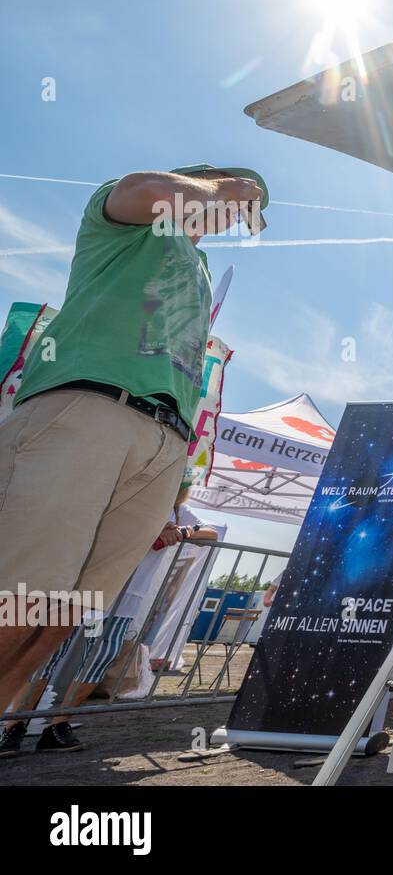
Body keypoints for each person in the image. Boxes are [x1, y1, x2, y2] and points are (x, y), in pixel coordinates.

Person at [0, 165, 268, 709]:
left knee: (69, 612)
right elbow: (144, 192)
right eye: (239, 203)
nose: (236, 215)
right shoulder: (126, 211)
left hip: (163, 438)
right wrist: (225, 189)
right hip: (91, 404)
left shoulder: (199, 264)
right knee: (22, 598)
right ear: (196, 181)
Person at [0, 486, 219, 756]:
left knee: (100, 656)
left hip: (124, 598)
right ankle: (14, 726)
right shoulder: (124, 487)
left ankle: (58, 726)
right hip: (82, 587)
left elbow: (212, 532)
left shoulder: (176, 508)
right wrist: (153, 529)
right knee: (48, 653)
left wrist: (182, 531)